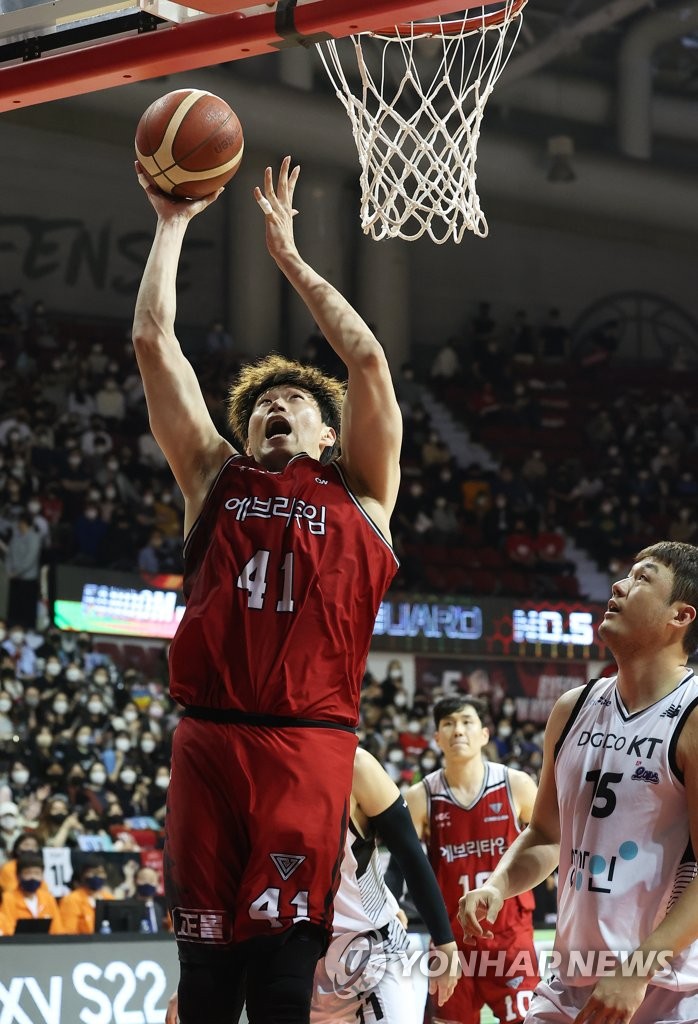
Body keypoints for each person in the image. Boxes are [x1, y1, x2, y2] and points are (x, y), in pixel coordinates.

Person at [132, 154, 402, 1024]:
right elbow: (153, 342)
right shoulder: (215, 477)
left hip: (306, 745)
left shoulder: (364, 493)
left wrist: (291, 261)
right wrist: (172, 223)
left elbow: (368, 359)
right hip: (208, 742)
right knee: (204, 982)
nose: (276, 406)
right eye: (262, 404)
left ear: (328, 436)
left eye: (294, 400)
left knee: (284, 983)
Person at [460, 541, 698, 1024]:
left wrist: (636, 970)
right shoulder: (572, 708)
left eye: (642, 578)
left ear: (680, 615)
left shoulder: (692, 717)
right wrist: (499, 884)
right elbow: (546, 836)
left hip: (667, 991)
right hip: (570, 985)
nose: (619, 586)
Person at [166, 747, 459, 1024]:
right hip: (300, 965)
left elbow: (408, 854)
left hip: (374, 953)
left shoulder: (354, 765)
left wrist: (445, 941)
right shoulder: (249, 777)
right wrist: (204, 976)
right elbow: (234, 889)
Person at [396, 695, 539, 1024]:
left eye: (466, 721)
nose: (458, 730)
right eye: (448, 724)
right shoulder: (420, 796)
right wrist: (391, 902)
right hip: (450, 940)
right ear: (437, 737)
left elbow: (549, 840)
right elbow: (399, 862)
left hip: (510, 938)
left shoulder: (516, 784)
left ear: (484, 734)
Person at [1, 851, 64, 934]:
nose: (32, 877)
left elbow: (57, 930)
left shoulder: (48, 898)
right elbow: (7, 930)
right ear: (18, 876)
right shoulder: (7, 898)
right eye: (28, 873)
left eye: (37, 873)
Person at [60, 853, 114, 934]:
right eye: (92, 872)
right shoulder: (71, 900)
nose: (96, 876)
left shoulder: (109, 898)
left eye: (100, 872)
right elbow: (68, 933)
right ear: (83, 875)